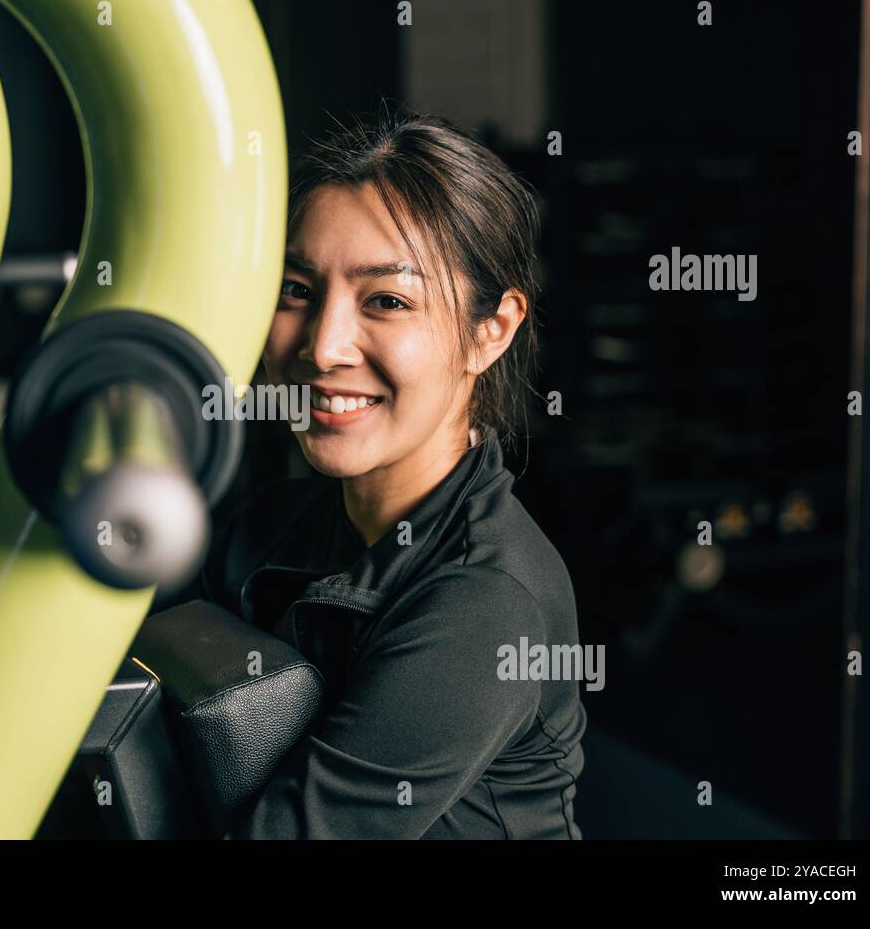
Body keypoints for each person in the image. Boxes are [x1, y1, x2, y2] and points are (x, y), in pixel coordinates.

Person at [193, 105, 585, 838]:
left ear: (488, 333)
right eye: (298, 291)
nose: (323, 346)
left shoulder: (483, 604)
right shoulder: (272, 523)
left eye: (386, 301)